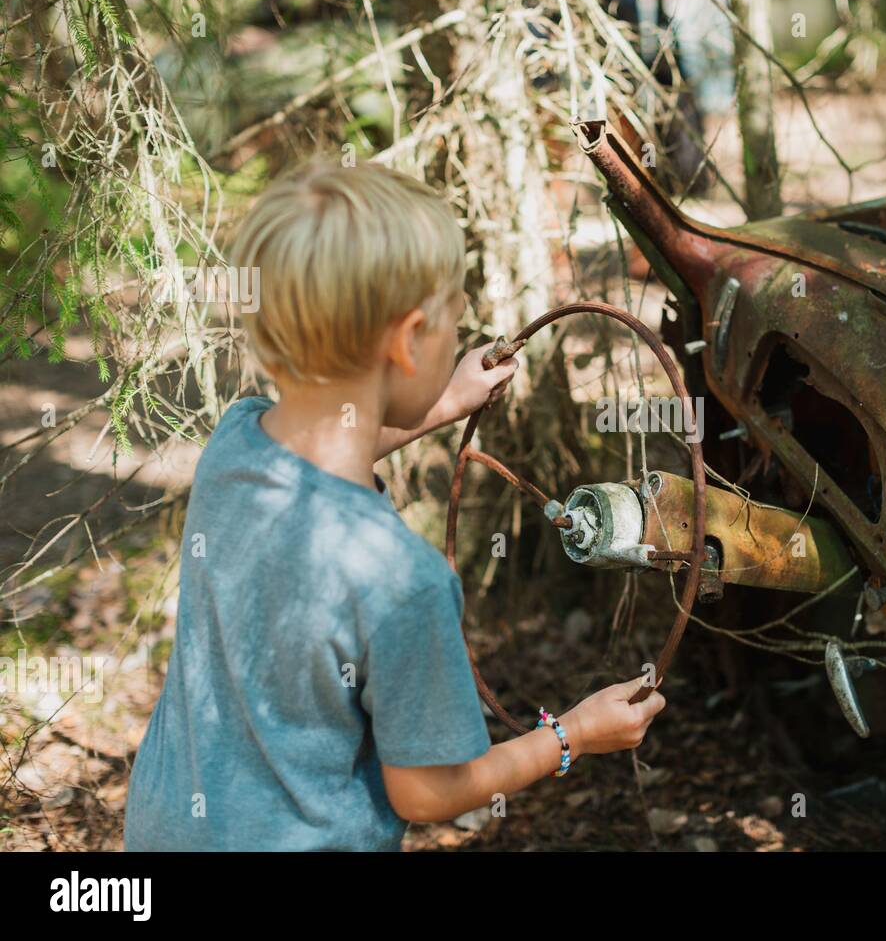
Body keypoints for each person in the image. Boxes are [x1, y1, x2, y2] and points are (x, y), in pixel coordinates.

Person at [124, 159, 666, 850]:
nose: (462, 323)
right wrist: (573, 735)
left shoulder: (234, 446)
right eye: (451, 315)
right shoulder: (402, 580)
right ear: (408, 341)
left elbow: (322, 452)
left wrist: (445, 402)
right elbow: (429, 790)